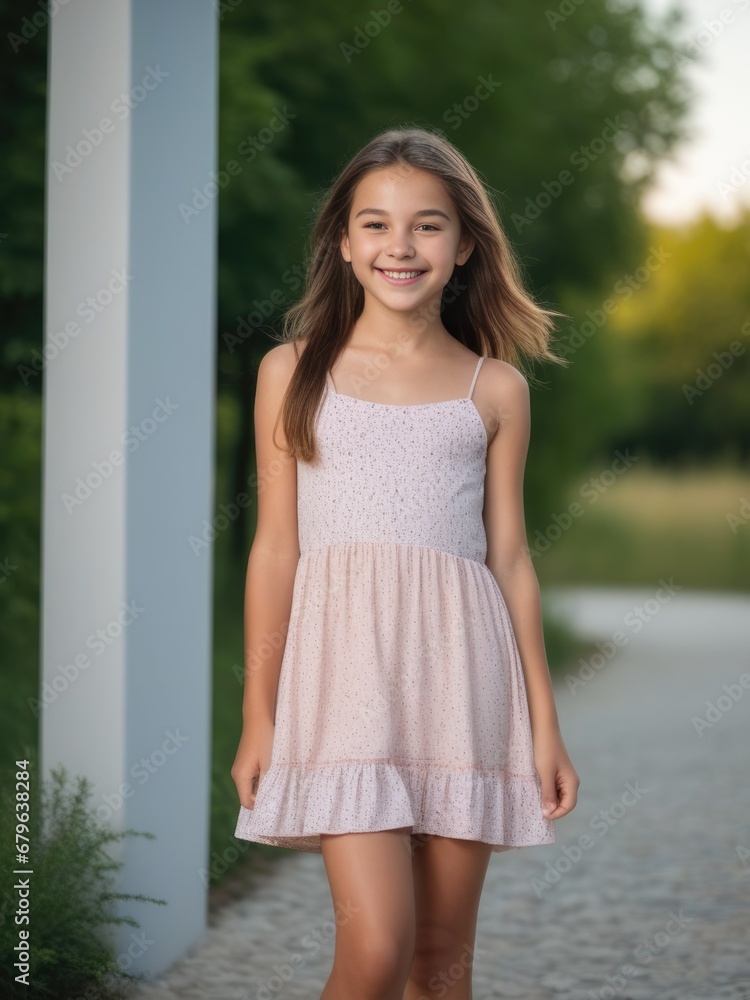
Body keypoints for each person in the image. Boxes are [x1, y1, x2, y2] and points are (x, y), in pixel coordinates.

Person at [231, 124, 580, 1000]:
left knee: (440, 963)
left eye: (428, 225)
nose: (401, 244)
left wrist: (544, 724)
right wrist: (259, 713)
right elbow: (276, 549)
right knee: (377, 951)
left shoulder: (493, 389)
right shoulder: (292, 372)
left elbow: (510, 558)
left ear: (465, 246)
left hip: (464, 690)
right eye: (376, 223)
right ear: (344, 244)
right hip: (342, 692)